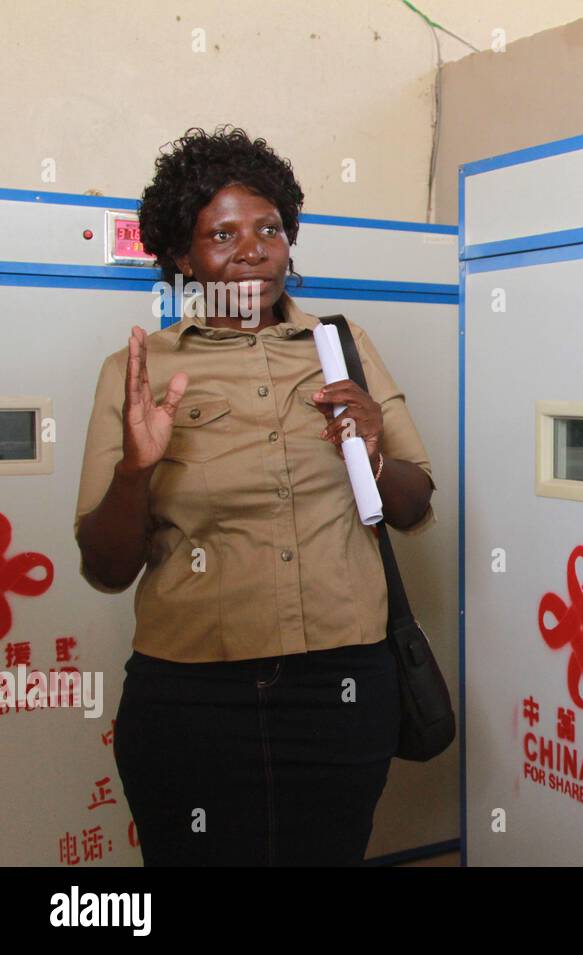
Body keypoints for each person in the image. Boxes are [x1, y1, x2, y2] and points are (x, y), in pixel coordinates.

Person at [72, 126, 437, 866]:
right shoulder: (138, 371)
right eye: (223, 234)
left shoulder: (345, 346)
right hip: (193, 699)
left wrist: (373, 445)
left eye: (269, 227)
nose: (252, 248)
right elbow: (107, 568)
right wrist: (135, 470)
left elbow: (414, 503)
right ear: (182, 256)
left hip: (340, 687)